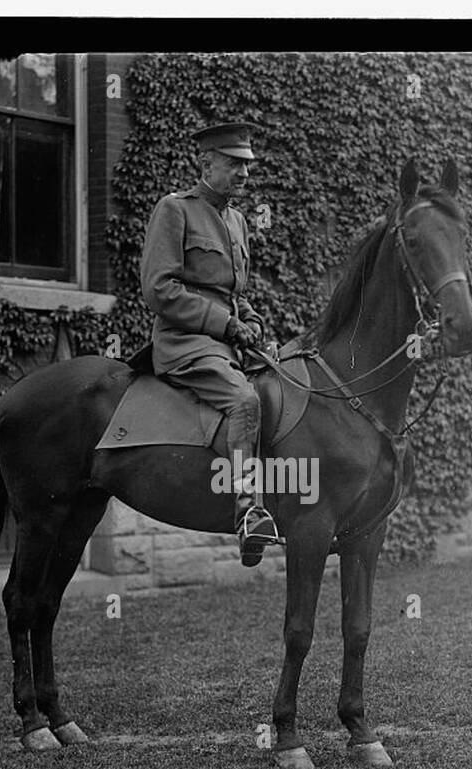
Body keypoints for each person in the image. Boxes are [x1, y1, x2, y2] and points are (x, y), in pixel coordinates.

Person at [139, 120, 281, 567]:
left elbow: (235, 294)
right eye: (234, 163)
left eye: (247, 165)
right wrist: (224, 324)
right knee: (244, 401)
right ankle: (248, 513)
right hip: (186, 343)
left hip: (228, 342)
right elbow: (158, 289)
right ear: (206, 162)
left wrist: (251, 321)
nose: (244, 173)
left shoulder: (237, 220)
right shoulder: (174, 210)